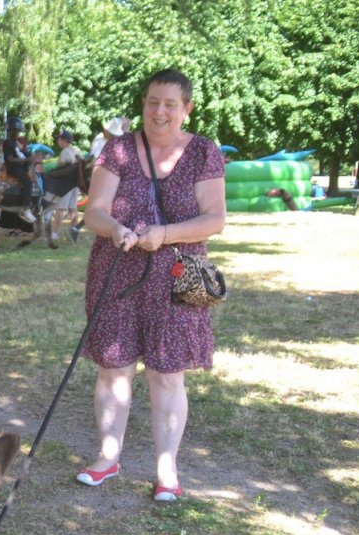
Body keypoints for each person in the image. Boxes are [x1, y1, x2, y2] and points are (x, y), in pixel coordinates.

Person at [76, 68, 226, 502]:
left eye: (170, 104)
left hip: (181, 273)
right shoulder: (118, 150)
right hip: (117, 270)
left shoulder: (203, 152)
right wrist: (116, 228)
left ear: (186, 108)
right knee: (113, 367)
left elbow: (214, 219)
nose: (159, 111)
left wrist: (164, 234)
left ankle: (167, 470)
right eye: (152, 102)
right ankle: (107, 457)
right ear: (143, 104)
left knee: (168, 374)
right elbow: (95, 212)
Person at [42, 129, 84, 247]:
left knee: (60, 208)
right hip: (75, 185)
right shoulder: (76, 150)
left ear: (64, 140)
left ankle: (54, 233)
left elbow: (64, 168)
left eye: (59, 139)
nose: (57, 142)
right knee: (73, 210)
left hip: (66, 185)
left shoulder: (65, 152)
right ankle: (75, 232)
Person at [2, 117, 36, 223]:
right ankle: (26, 209)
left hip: (20, 167)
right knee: (29, 183)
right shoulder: (7, 143)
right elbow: (10, 159)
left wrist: (30, 155)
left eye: (19, 131)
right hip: (13, 168)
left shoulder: (14, 142)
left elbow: (19, 154)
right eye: (17, 131)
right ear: (11, 130)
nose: (18, 133)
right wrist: (26, 159)